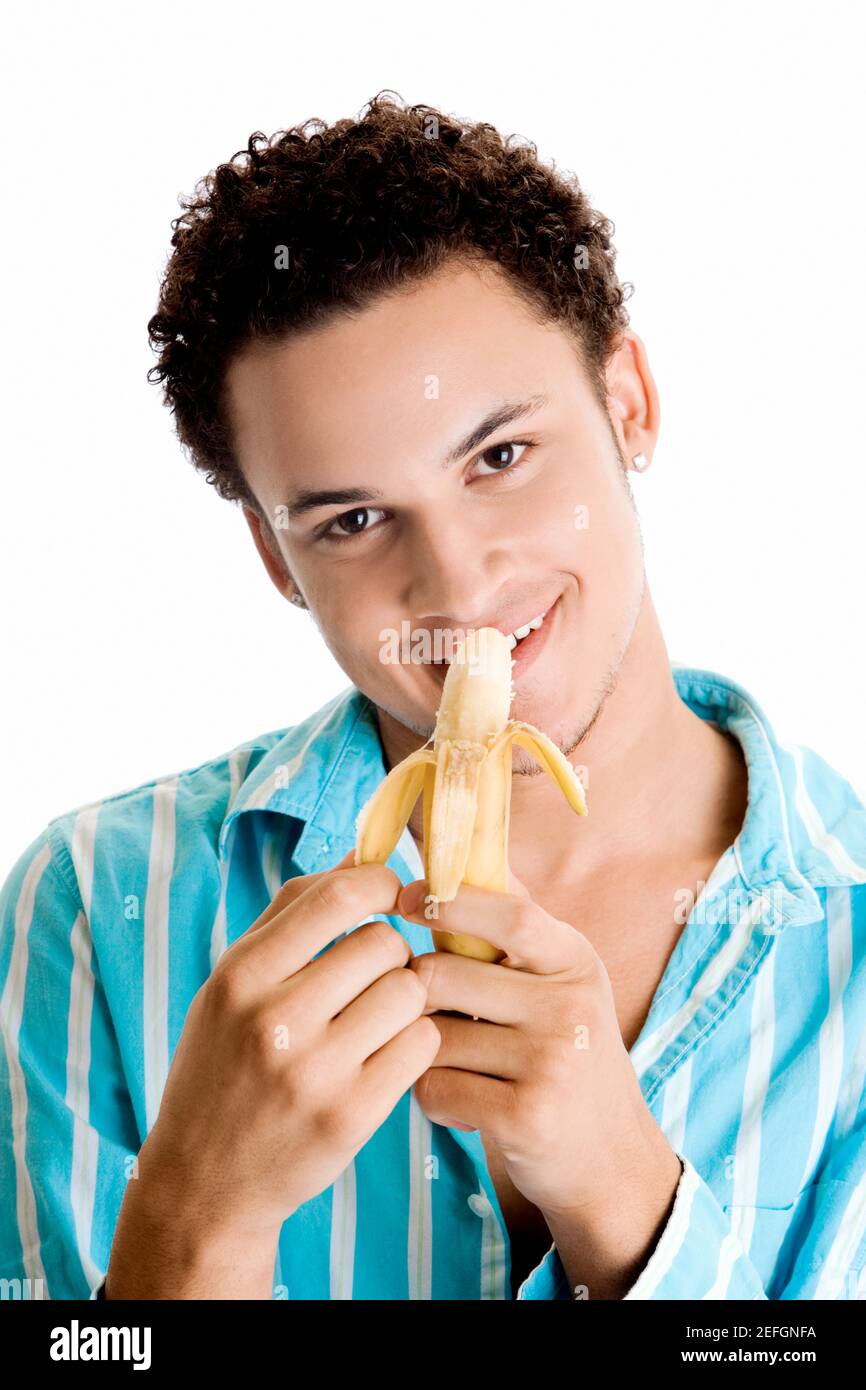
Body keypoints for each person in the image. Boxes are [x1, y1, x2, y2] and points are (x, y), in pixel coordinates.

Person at [2, 92, 865, 1303]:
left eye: (499, 457)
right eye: (352, 519)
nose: (455, 583)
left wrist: (632, 1208)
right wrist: (194, 1228)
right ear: (272, 559)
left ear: (628, 404)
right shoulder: (94, 912)